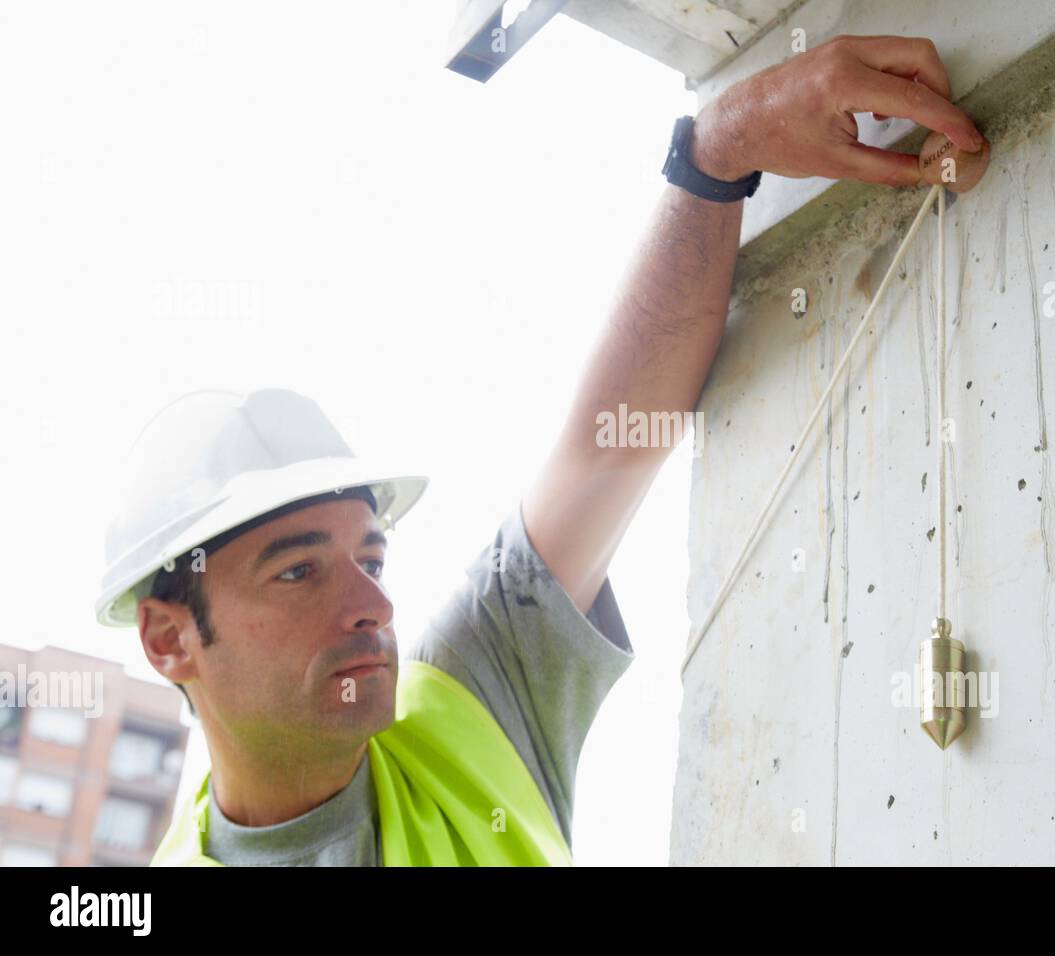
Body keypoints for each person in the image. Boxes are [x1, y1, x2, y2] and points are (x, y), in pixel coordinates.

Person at [95, 33, 981, 866]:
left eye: (370, 557)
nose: (372, 604)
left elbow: (610, 448)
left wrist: (720, 153)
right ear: (169, 639)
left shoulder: (465, 707)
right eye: (298, 572)